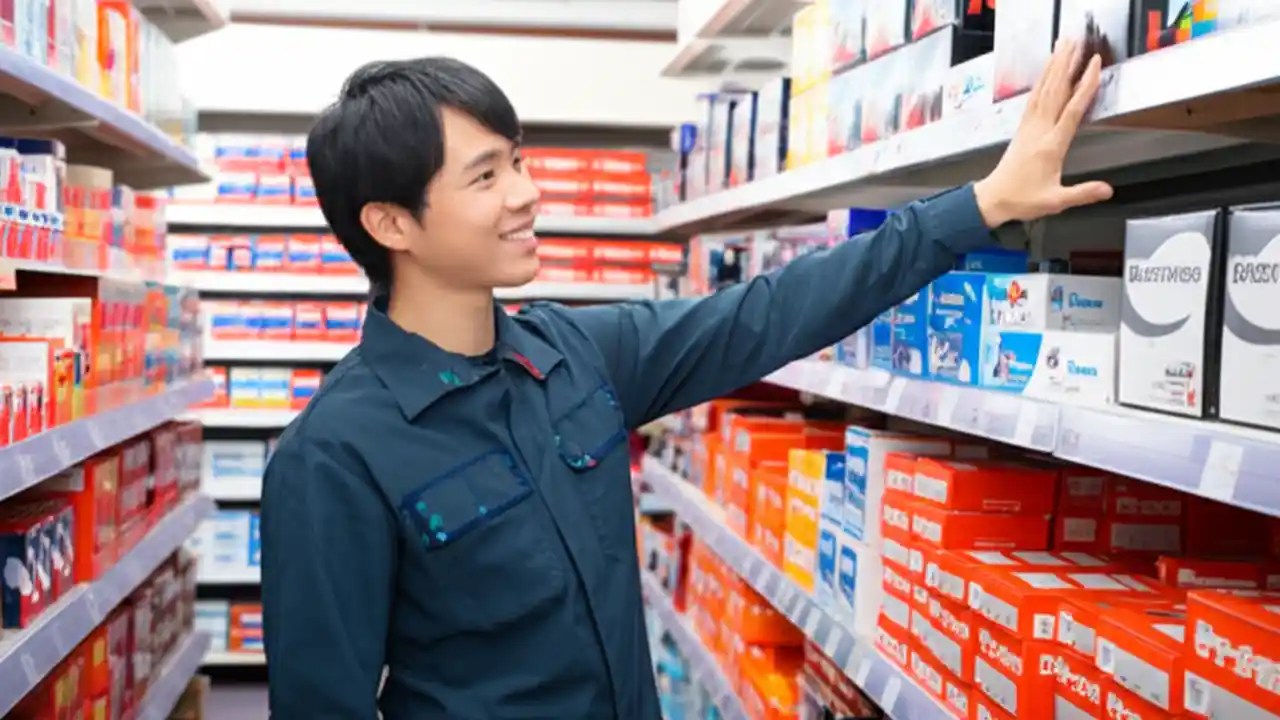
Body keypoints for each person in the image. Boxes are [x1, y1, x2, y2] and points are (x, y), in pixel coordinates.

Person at [260, 41, 1113, 719]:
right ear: (391, 223)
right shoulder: (334, 455)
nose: (526, 193)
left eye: (518, 160)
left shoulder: (574, 354)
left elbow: (771, 312)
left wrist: (980, 207)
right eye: (486, 175)